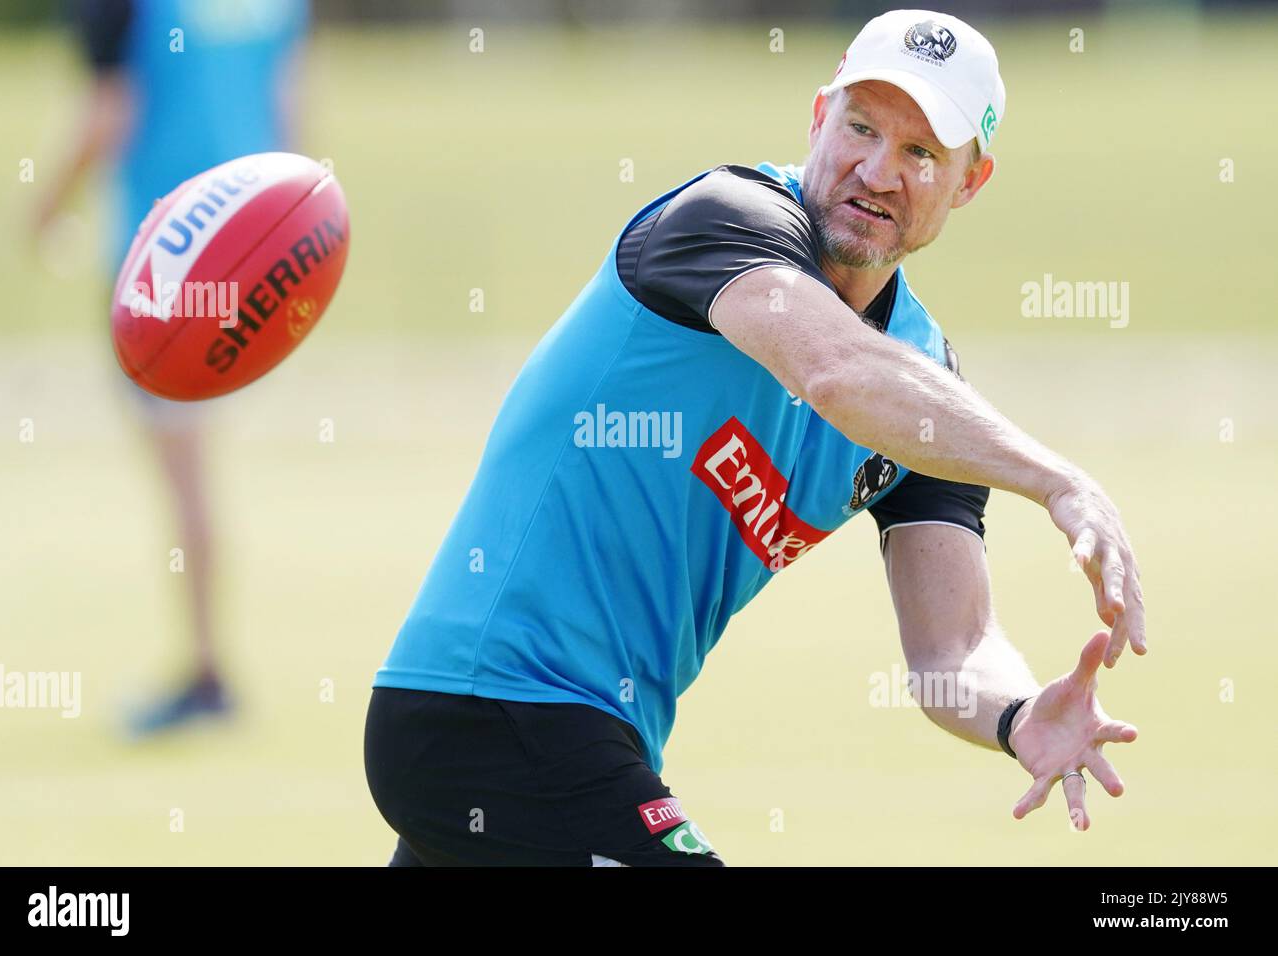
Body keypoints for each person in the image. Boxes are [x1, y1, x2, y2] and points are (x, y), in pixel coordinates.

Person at [365, 9, 1146, 866]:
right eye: (861, 128)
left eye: (922, 153)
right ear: (819, 118)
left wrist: (1017, 714)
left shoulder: (926, 393)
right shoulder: (724, 219)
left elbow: (951, 648)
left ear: (970, 182)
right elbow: (837, 371)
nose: (878, 171)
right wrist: (1058, 480)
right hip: (495, 708)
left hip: (573, 739)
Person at [33, 0, 309, 736]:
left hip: (160, 264)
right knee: (198, 466)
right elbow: (290, 111)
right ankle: (207, 661)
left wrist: (44, 209)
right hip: (260, 261)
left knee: (185, 474)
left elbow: (108, 111)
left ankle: (207, 667)